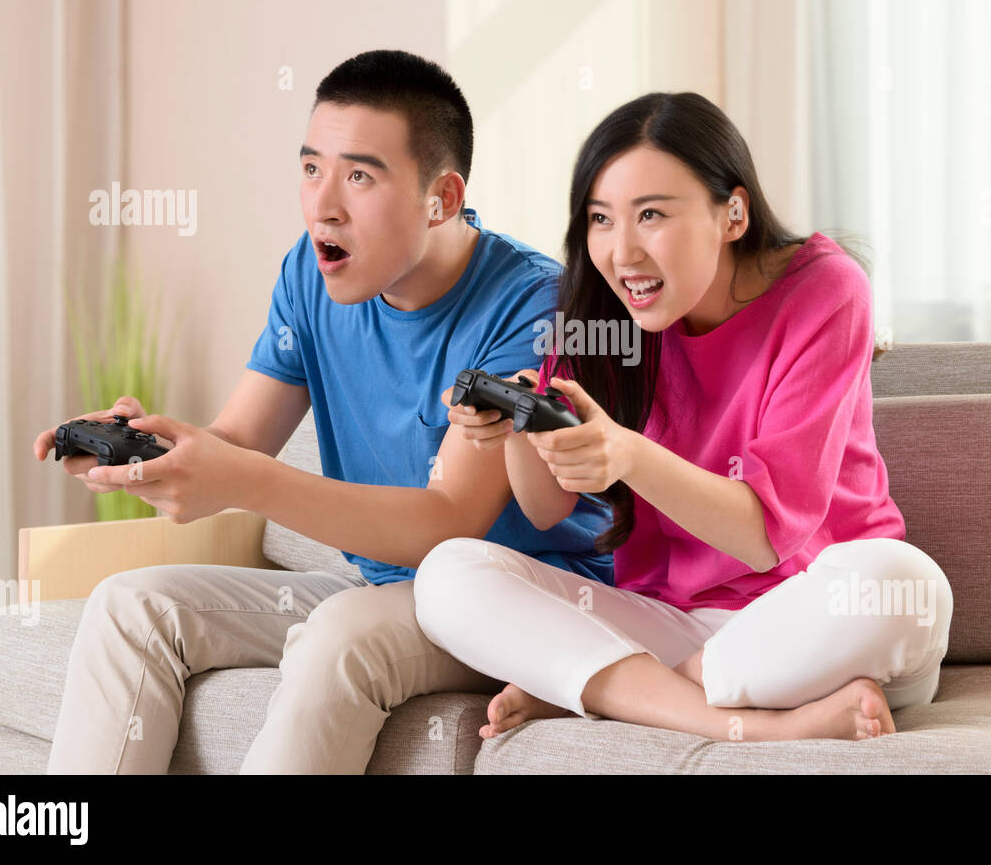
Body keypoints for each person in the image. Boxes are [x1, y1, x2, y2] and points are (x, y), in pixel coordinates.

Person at [32, 50, 612, 773]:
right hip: (379, 583)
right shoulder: (310, 272)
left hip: (506, 595)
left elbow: (450, 518)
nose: (323, 204)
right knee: (129, 605)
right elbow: (241, 439)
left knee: (343, 633)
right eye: (312, 168)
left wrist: (243, 482)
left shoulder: (530, 303)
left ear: (442, 196)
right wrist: (154, 448)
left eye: (360, 176)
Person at [413, 91, 953, 743]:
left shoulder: (824, 290)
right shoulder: (601, 315)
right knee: (448, 575)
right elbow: (545, 508)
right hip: (673, 616)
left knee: (907, 586)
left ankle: (627, 691)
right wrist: (523, 428)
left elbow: (764, 535)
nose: (623, 252)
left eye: (651, 216)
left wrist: (628, 454)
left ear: (732, 213)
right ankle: (744, 720)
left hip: (815, 616)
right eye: (602, 219)